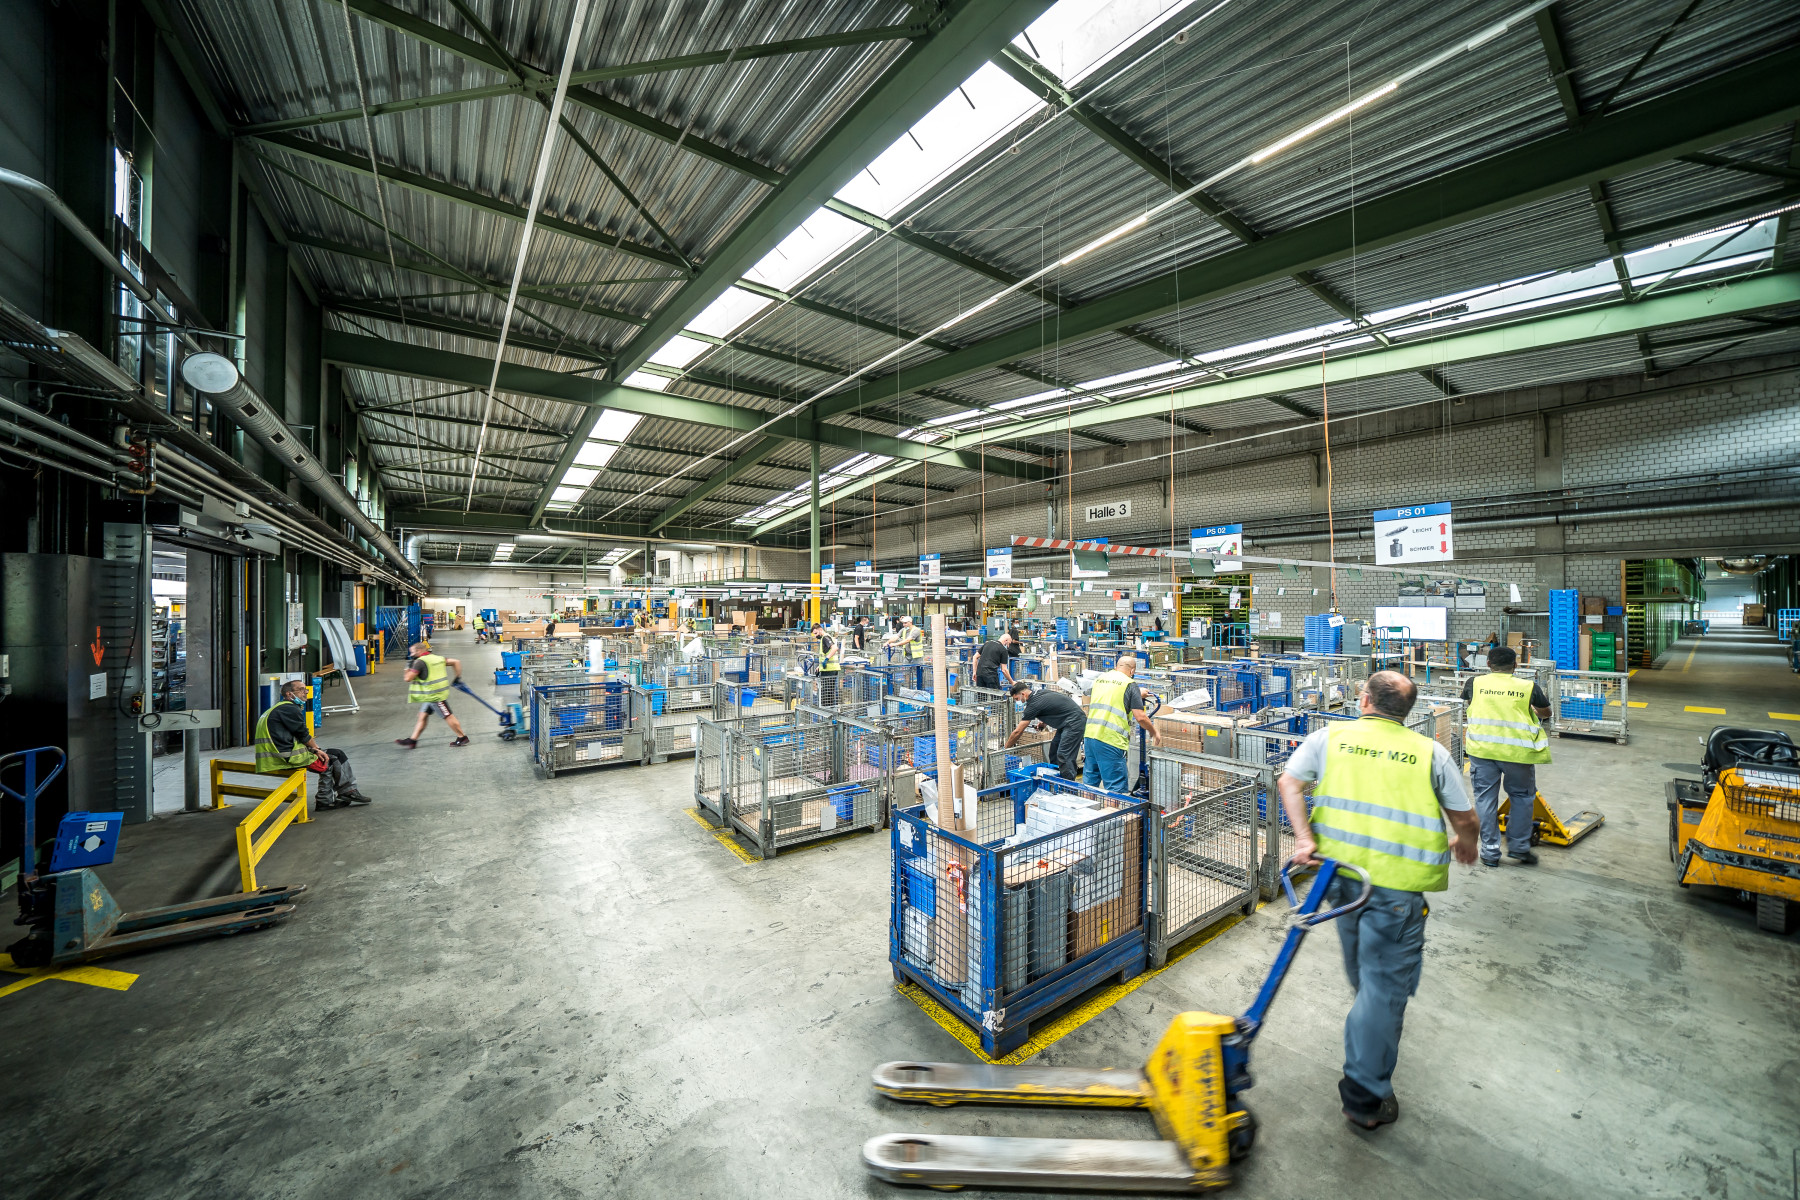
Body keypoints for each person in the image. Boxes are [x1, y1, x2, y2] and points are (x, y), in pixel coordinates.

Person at [1278, 669, 1479, 1130]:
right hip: (1394, 889)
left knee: (1364, 973)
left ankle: (1369, 1026)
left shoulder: (1331, 738)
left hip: (1340, 879)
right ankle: (1365, 1097)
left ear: (1364, 699)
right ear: (1406, 713)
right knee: (1383, 985)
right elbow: (1464, 817)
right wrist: (1467, 842)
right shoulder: (1431, 752)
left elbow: (1289, 783)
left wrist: (1303, 839)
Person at [1461, 645, 1552, 867]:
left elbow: (1469, 706)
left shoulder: (1474, 683)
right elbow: (1546, 712)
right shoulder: (1528, 687)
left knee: (1484, 799)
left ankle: (1490, 853)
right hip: (1517, 753)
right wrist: (1532, 710)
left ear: (1488, 664)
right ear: (1516, 665)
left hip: (1482, 751)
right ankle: (1520, 849)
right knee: (1521, 798)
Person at [255, 679, 369, 808]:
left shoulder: (277, 709)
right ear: (289, 694)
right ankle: (339, 795)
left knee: (332, 754)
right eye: (301, 690)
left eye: (306, 689)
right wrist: (317, 749)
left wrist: (314, 750)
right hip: (284, 757)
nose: (305, 692)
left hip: (274, 756)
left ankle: (331, 798)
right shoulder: (289, 709)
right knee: (330, 759)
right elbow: (303, 734)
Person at [1081, 656, 1160, 793]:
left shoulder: (1101, 679)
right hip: (1110, 740)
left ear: (1117, 666)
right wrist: (1154, 732)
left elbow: (1112, 696)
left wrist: (1136, 695)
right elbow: (1140, 717)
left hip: (1090, 737)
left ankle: (1089, 813)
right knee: (1115, 788)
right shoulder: (1129, 684)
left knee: (1090, 785)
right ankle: (1116, 815)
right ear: (1132, 670)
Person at [1006, 680, 1085, 779]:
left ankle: (1067, 787)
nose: (1017, 701)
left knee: (1064, 755)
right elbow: (1054, 707)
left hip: (1074, 722)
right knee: (1054, 751)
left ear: (1023, 694)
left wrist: (1006, 749)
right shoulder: (1039, 693)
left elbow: (1018, 731)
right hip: (1066, 722)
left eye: (1017, 698)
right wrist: (1044, 723)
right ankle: (1057, 778)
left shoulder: (1033, 705)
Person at [397, 642, 470, 748]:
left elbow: (407, 678)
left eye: (412, 652)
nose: (411, 655)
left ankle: (462, 737)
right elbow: (456, 662)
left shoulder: (419, 662)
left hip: (434, 695)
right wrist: (457, 677)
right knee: (422, 716)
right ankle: (413, 740)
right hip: (433, 694)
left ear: (419, 651)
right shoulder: (437, 658)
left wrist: (407, 666)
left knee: (448, 715)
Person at [815, 625, 842, 705]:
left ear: (820, 630)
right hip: (826, 669)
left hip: (830, 669)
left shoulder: (825, 638)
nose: (816, 636)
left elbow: (834, 648)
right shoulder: (824, 638)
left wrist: (826, 659)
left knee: (827, 693)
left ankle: (827, 711)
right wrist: (820, 666)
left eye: (816, 633)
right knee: (826, 692)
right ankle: (826, 710)